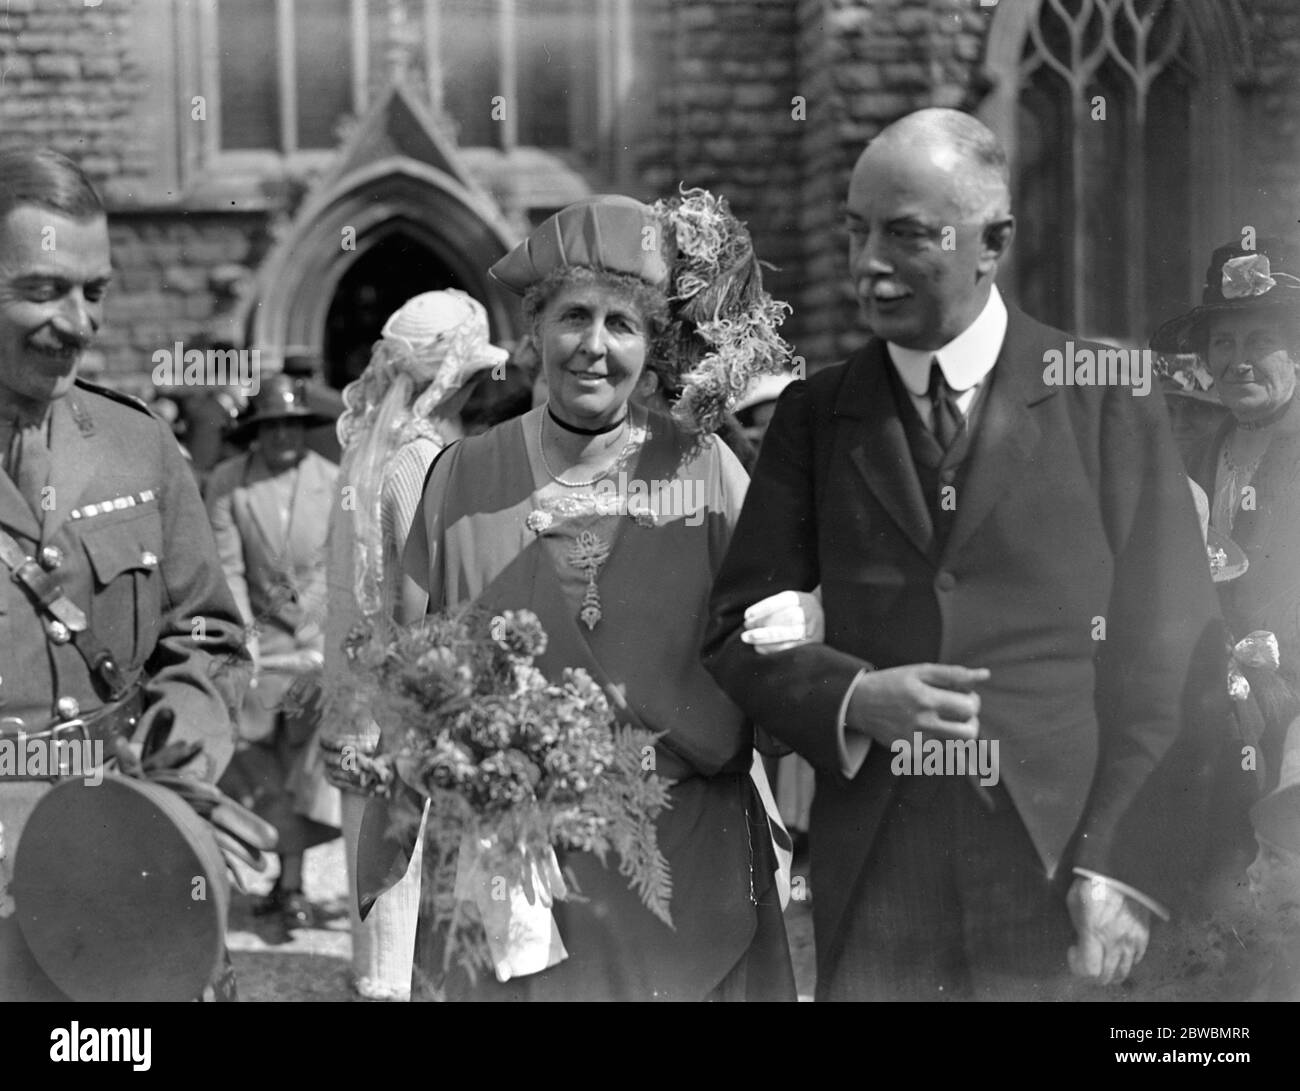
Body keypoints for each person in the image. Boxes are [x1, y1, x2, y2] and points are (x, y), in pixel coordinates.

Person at [703, 108, 1222, 1001]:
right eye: (857, 230)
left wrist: (1124, 867)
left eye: (905, 234)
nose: (868, 264)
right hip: (877, 883)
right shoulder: (818, 417)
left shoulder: (1104, 399)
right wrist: (855, 697)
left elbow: (1173, 653)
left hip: (1058, 876)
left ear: (994, 242)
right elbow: (734, 634)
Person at [362, 192, 798, 1001]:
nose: (593, 347)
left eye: (621, 325)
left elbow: (771, 655)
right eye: (573, 317)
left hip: (678, 856)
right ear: (534, 331)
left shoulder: (706, 474)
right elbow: (411, 671)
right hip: (513, 876)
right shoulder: (459, 479)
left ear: (652, 345)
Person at [0, 147, 250, 999]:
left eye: (93, 290)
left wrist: (178, 753)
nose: (78, 322)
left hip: (130, 869)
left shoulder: (137, 444)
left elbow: (205, 634)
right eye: (41, 289)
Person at [321, 289, 508, 1000]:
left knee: (375, 896)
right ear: (450, 376)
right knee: (403, 896)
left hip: (357, 700)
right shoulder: (423, 459)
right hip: (404, 709)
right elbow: (422, 603)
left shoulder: (369, 453)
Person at [1154, 237, 1300, 876]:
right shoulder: (1198, 452)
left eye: (1260, 342)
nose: (1239, 362)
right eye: (1224, 344)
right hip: (1218, 693)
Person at [206, 372, 340, 928]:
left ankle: (293, 885)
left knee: (303, 767)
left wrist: (315, 627)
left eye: (292, 425)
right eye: (272, 426)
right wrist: (247, 634)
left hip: (314, 644)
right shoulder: (229, 484)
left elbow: (339, 564)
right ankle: (257, 875)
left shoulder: (333, 481)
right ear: (256, 432)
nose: (284, 436)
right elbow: (226, 566)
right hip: (257, 646)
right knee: (254, 760)